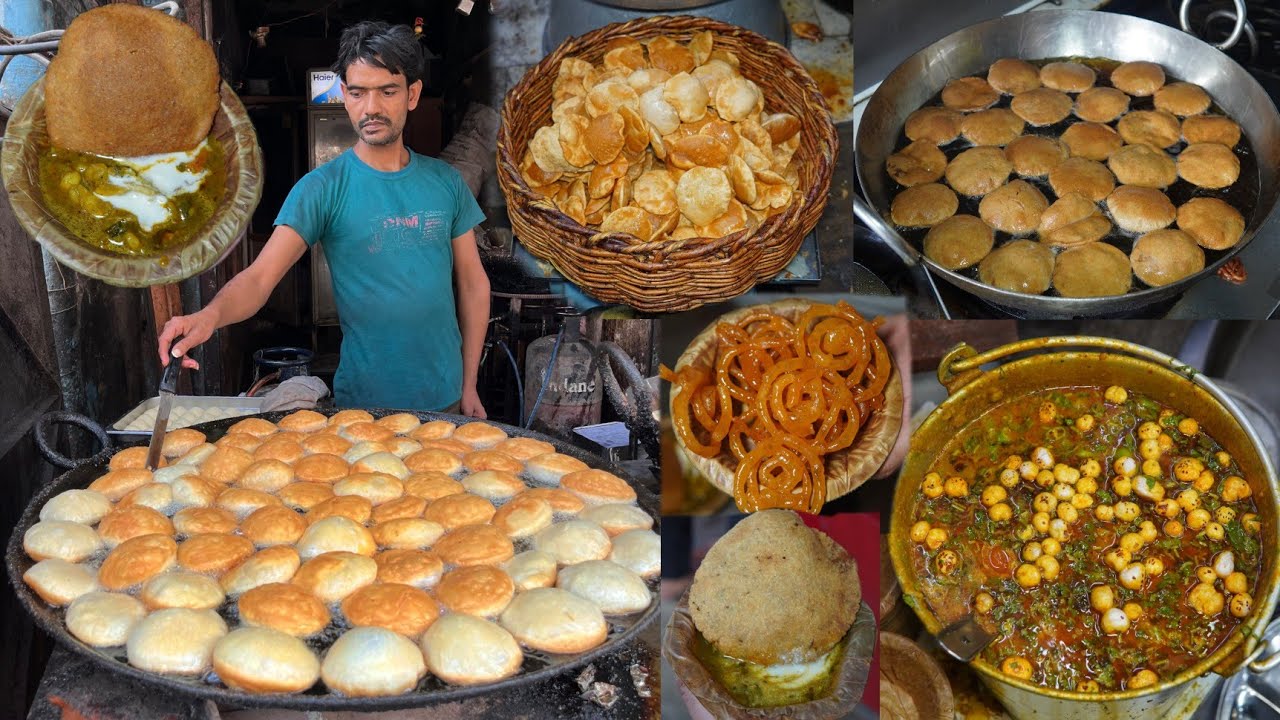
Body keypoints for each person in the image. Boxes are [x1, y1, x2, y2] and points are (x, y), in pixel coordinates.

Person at [158, 21, 491, 417]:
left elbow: (473, 283)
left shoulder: (446, 183)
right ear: (344, 96)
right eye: (358, 92)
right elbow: (259, 279)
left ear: (412, 94)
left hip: (447, 400)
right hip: (364, 409)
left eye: (387, 91)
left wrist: (470, 384)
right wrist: (209, 315)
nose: (371, 107)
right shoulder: (322, 189)